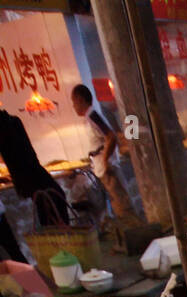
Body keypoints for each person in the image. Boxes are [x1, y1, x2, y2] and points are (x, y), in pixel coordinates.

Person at [71, 84, 137, 223]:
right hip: (101, 167)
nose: (73, 106)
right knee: (115, 201)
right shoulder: (89, 118)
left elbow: (111, 137)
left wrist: (105, 160)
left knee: (120, 201)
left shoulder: (93, 116)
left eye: (73, 102)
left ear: (80, 99)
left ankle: (132, 228)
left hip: (108, 167)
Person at [0, 108, 69, 226]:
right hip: (32, 170)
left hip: (25, 175)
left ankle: (53, 233)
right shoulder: (14, 121)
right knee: (53, 198)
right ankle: (59, 232)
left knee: (47, 203)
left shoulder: (10, 124)